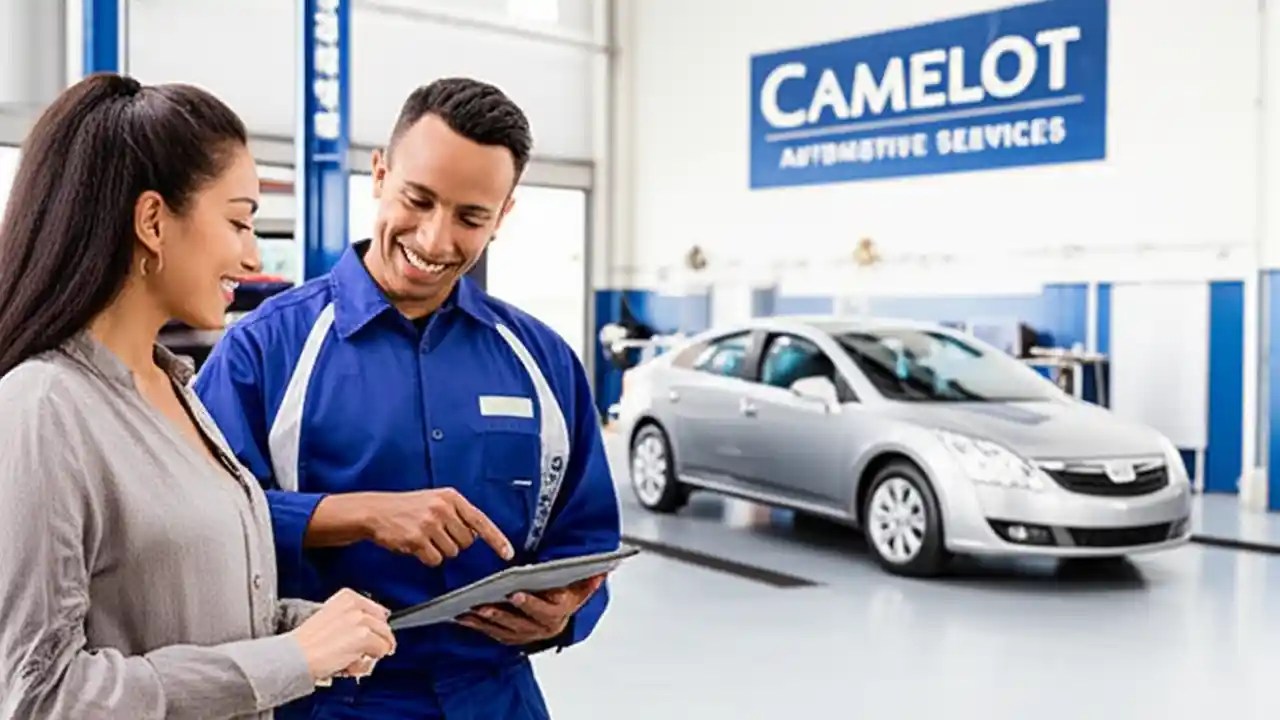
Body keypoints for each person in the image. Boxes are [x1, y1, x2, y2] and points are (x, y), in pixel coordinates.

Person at [193, 77, 622, 719]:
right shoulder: (266, 348)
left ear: (503, 215)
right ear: (379, 174)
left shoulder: (543, 360)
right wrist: (356, 515)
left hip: (497, 696)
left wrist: (565, 615)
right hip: (331, 698)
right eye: (417, 200)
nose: (434, 240)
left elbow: (585, 537)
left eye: (471, 218)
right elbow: (200, 524)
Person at [0, 73, 397, 719]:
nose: (253, 257)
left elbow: (173, 610)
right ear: (153, 221)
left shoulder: (175, 388)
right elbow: (39, 697)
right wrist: (291, 659)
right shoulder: (44, 408)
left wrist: (304, 629)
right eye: (239, 221)